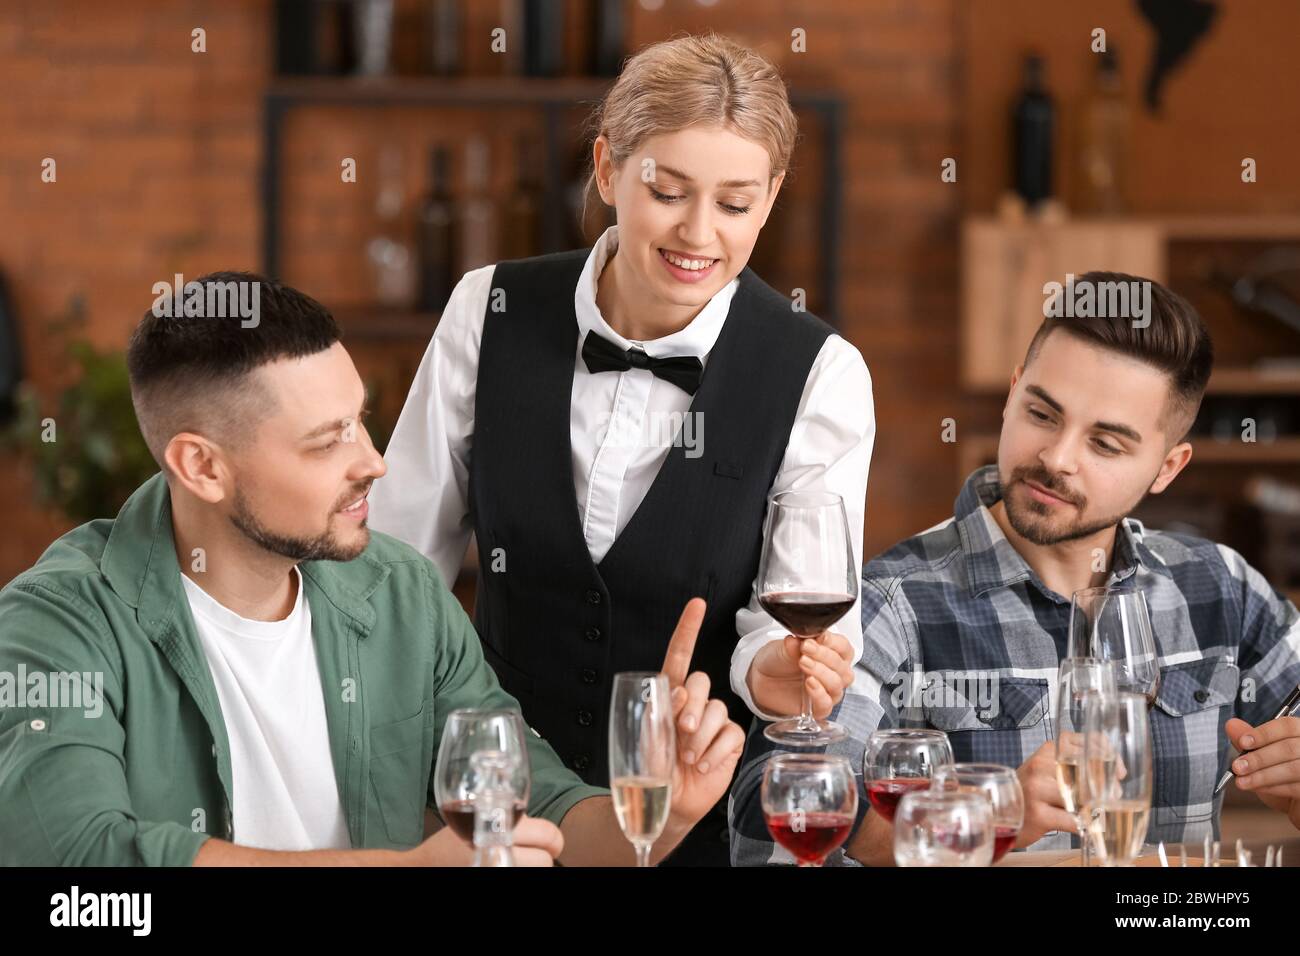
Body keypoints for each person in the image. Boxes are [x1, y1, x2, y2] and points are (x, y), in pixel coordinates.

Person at [0, 272, 746, 866]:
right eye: (328, 441)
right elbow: (77, 865)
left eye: (360, 419)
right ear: (202, 466)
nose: (373, 461)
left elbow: (538, 813)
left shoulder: (402, 593)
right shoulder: (57, 623)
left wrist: (663, 809)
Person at [367, 33, 873, 865]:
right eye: (667, 191)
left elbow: (788, 613)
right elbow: (394, 575)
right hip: (491, 815)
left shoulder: (821, 374)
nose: (698, 234)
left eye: (736, 204)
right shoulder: (486, 310)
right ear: (607, 169)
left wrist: (772, 675)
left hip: (696, 832)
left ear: (773, 197)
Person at [730, 271, 1300, 865]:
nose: (1056, 458)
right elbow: (769, 838)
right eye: (1042, 414)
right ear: (1011, 396)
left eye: (1105, 444)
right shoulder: (890, 607)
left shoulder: (1220, 589)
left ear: (1167, 467)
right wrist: (987, 819)